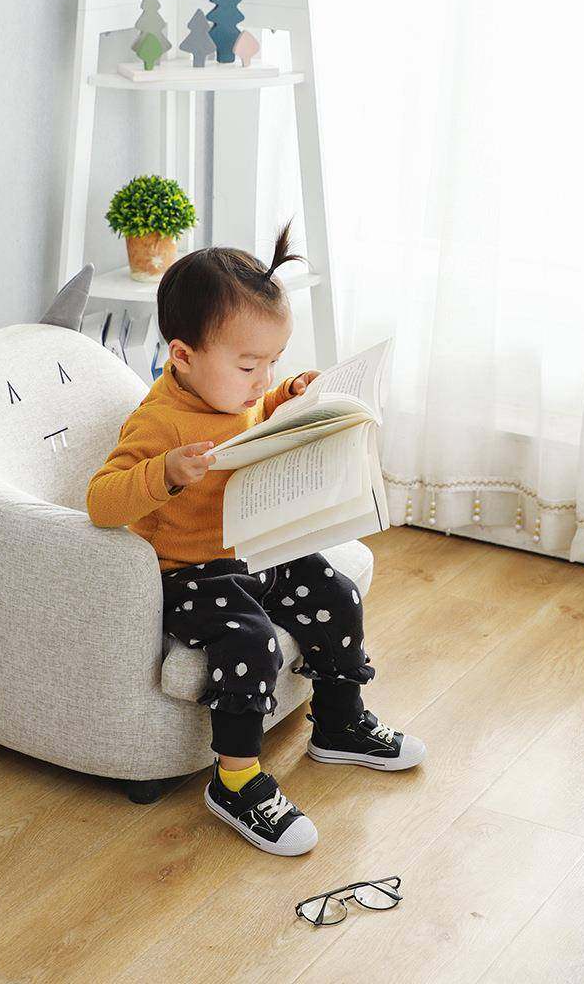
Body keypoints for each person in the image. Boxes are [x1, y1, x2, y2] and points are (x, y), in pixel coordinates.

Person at [86, 220, 426, 856]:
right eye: (250, 365)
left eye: (273, 361)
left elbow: (254, 419)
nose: (261, 377)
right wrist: (165, 473)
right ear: (183, 356)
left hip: (253, 550)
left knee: (336, 592)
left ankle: (339, 722)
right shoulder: (159, 423)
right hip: (191, 575)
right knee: (250, 641)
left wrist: (286, 402)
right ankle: (235, 779)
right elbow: (101, 502)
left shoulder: (232, 390)